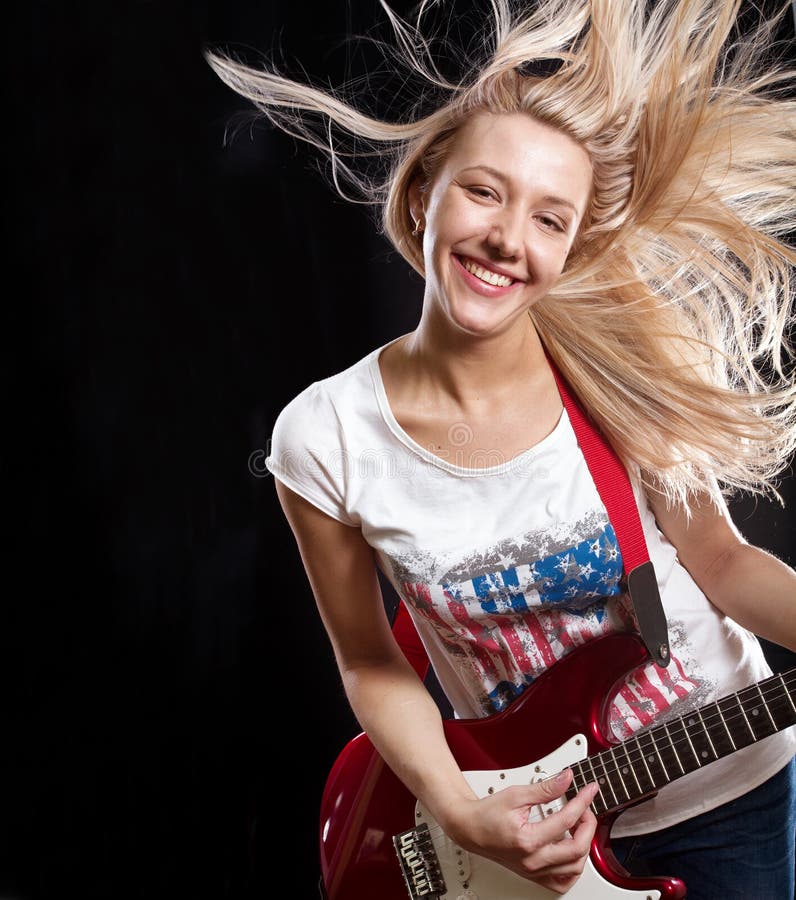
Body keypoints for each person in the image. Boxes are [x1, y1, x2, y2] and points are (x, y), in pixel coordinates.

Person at [206, 0, 796, 896]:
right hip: (523, 831)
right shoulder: (324, 436)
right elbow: (369, 660)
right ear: (425, 192)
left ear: (569, 246)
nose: (507, 239)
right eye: (484, 191)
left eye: (550, 219)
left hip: (731, 799)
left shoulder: (616, 367)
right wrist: (455, 807)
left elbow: (720, 560)